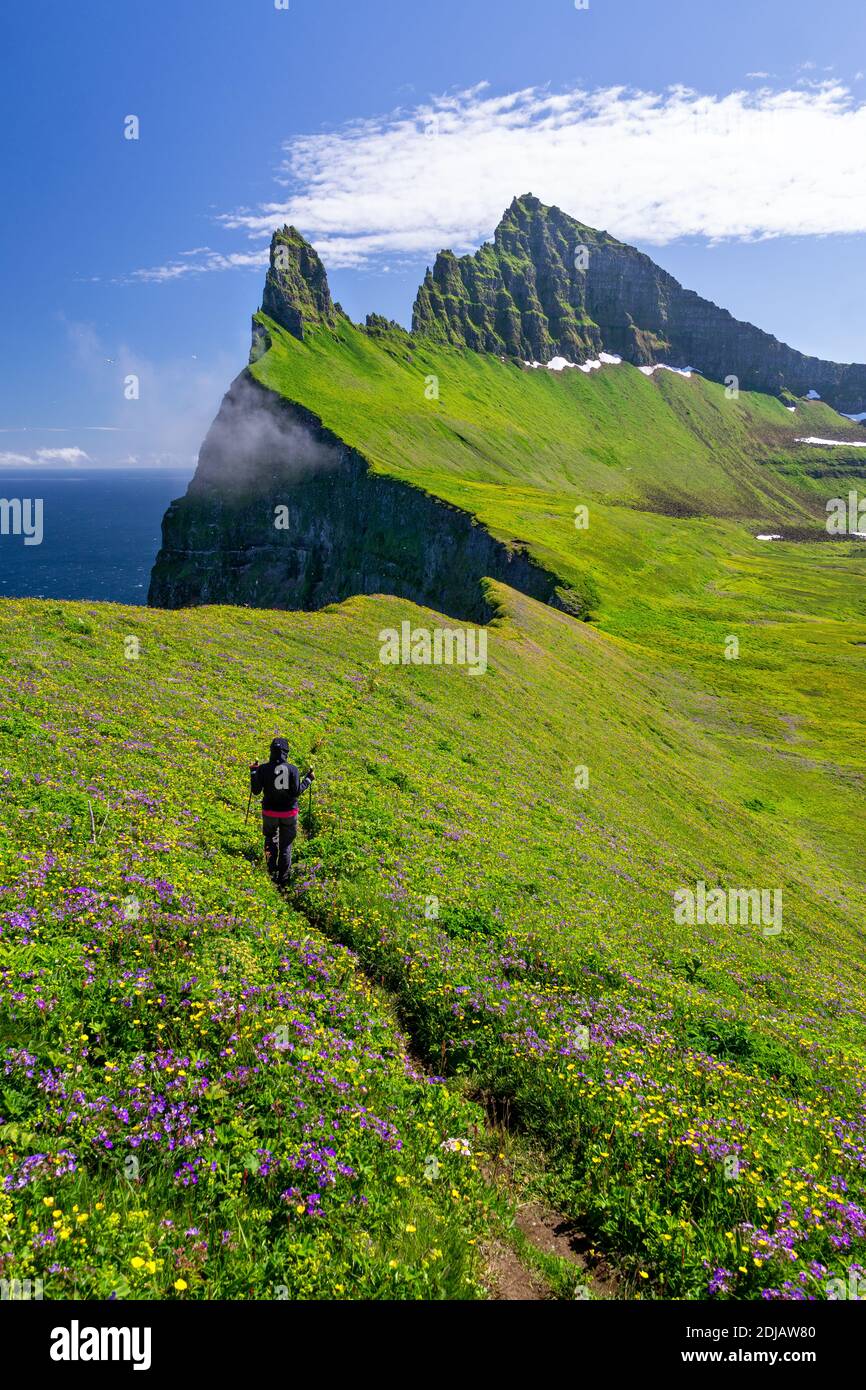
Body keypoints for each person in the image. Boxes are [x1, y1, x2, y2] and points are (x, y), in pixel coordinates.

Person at [249, 737, 314, 887]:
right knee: (286, 845)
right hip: (288, 813)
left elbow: (256, 791)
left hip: (269, 811)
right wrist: (309, 779)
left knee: (270, 839)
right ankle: (283, 880)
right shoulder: (293, 769)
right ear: (286, 752)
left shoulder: (263, 768)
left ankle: (271, 873)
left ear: (271, 751)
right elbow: (296, 792)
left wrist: (254, 772)